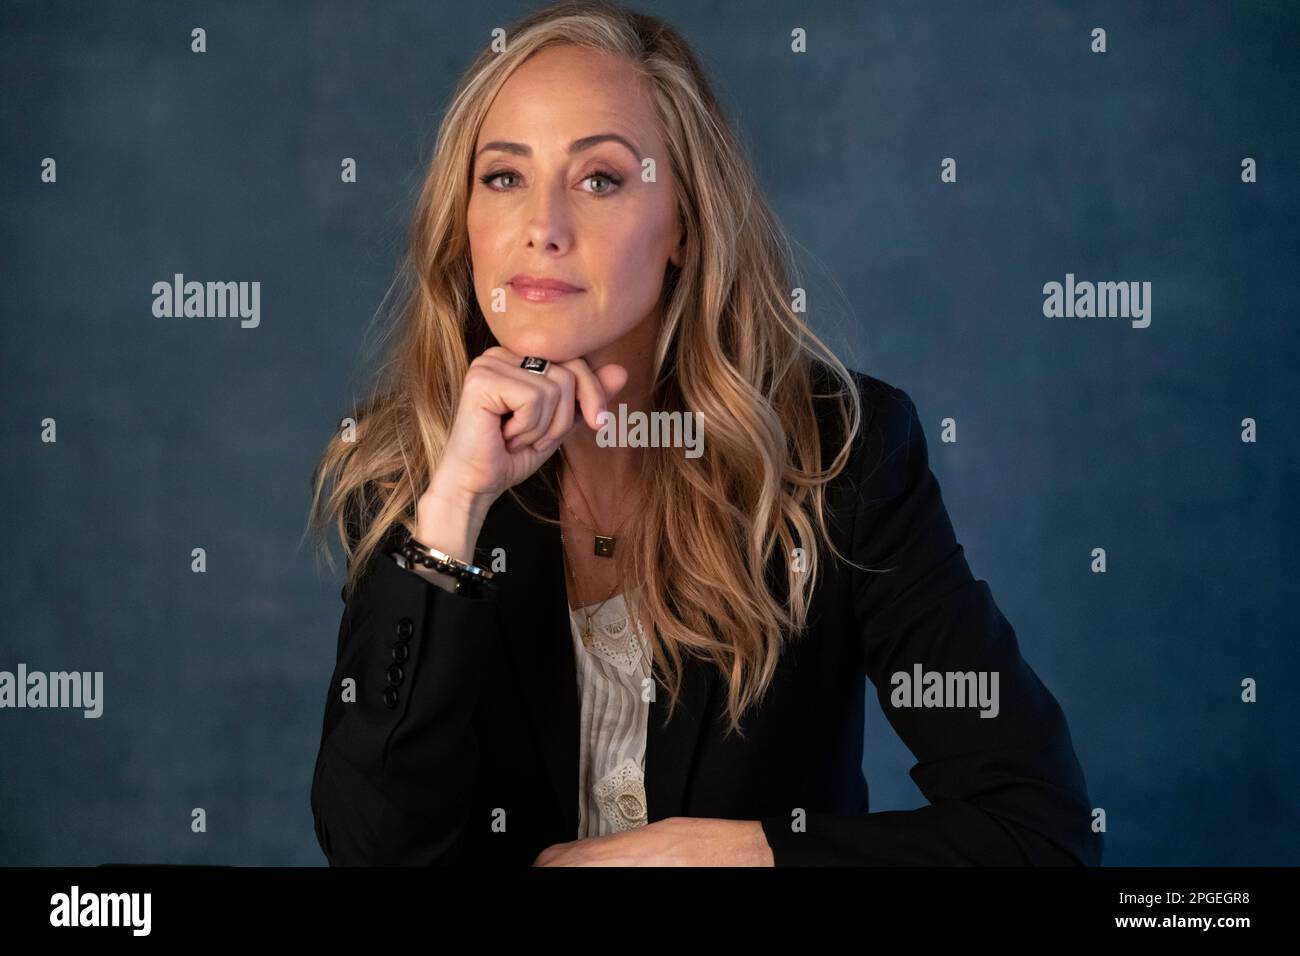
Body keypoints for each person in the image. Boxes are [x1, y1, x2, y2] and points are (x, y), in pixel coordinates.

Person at [306, 0, 1102, 867]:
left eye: (600, 179)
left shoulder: (841, 456)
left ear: (684, 224)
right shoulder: (411, 477)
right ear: (464, 223)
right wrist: (454, 511)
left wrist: (736, 859)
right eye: (503, 178)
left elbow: (1039, 834)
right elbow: (376, 854)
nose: (542, 226)